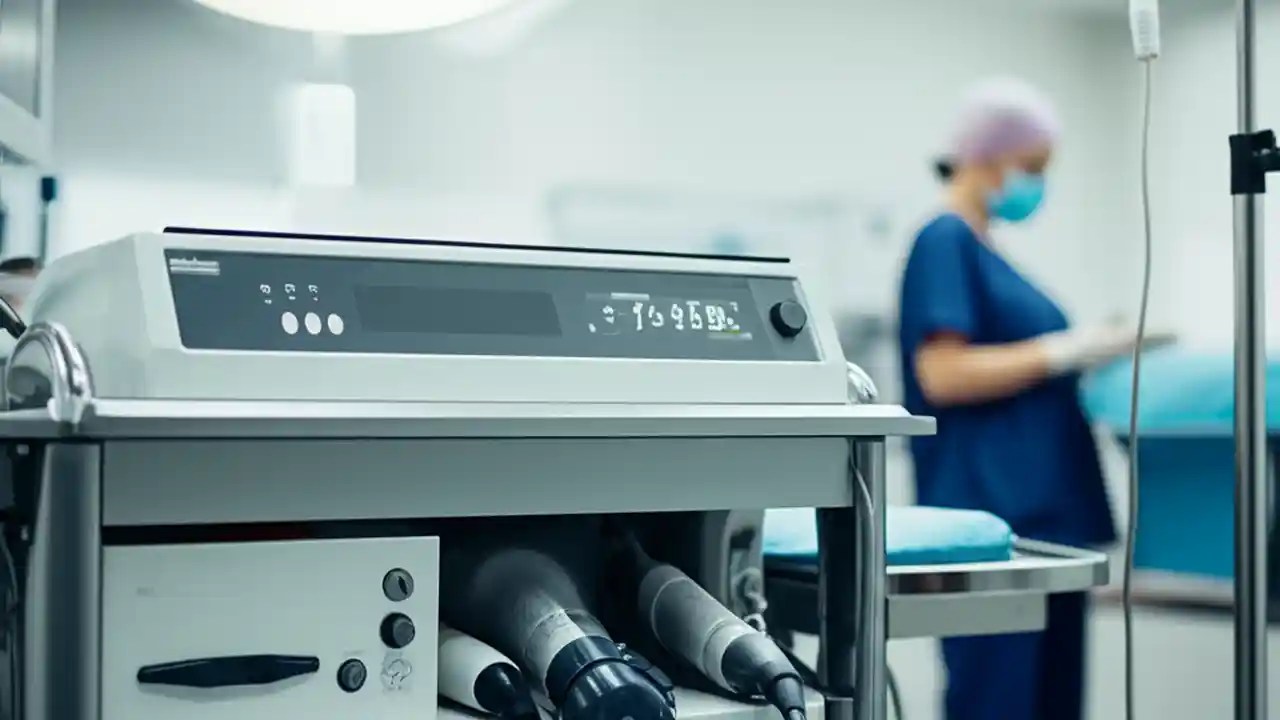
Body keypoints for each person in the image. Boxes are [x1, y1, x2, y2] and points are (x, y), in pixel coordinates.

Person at [897, 79, 1131, 720]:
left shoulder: (987, 251)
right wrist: (1063, 350)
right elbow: (940, 373)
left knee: (1051, 703)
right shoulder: (942, 240)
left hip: (1046, 520)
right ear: (985, 155)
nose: (1038, 185)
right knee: (995, 702)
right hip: (993, 522)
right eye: (1032, 168)